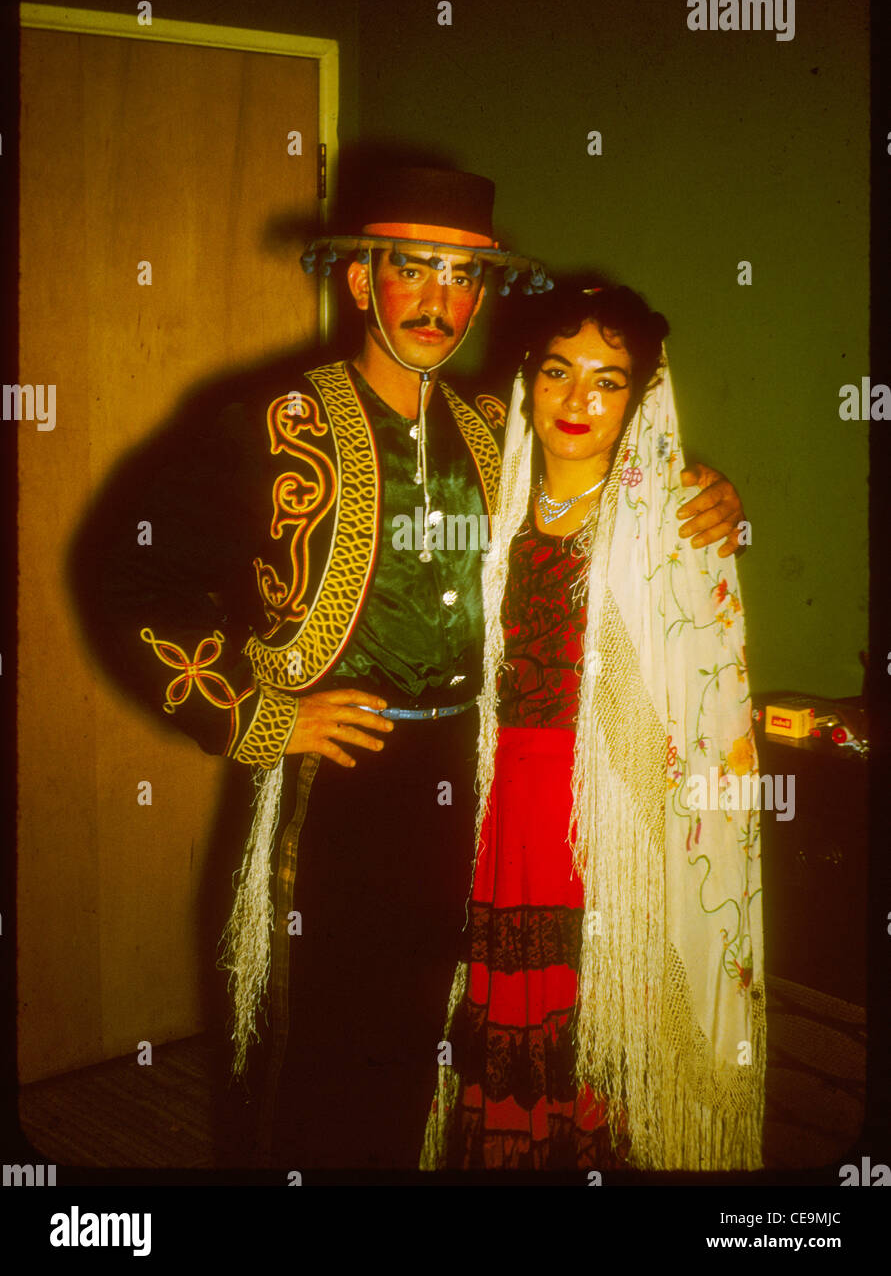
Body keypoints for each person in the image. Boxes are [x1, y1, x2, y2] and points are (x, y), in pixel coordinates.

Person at [82, 167, 749, 1172]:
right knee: (313, 1051)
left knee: (429, 1054)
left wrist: (708, 491)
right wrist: (259, 716)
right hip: (341, 783)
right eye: (415, 270)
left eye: (463, 276)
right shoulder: (269, 424)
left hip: (471, 787)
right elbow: (122, 572)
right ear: (361, 283)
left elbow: (609, 466)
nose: (442, 301)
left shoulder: (494, 431)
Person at [423, 279, 765, 1172]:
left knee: (599, 1032)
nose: (578, 401)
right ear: (526, 380)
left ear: (641, 396)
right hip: (492, 811)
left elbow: (706, 706)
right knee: (492, 1018)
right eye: (558, 372)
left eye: (608, 381)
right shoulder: (477, 510)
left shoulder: (676, 526)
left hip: (610, 822)